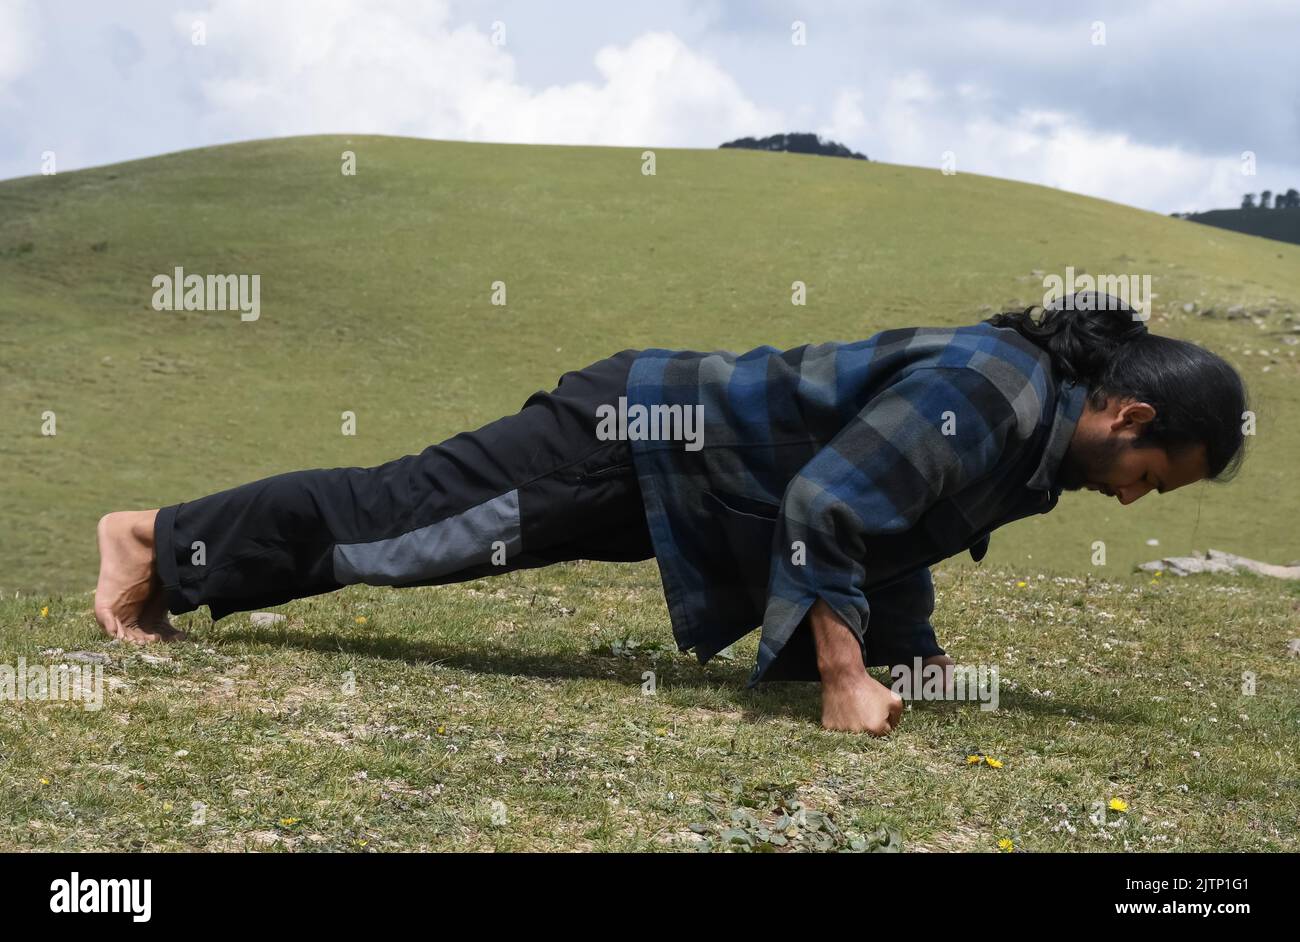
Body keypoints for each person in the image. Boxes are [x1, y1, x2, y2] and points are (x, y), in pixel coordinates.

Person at [93, 292, 1248, 735]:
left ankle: (176, 547)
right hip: (636, 432)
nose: (1140, 497)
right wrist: (844, 682)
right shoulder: (989, 391)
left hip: (686, 481)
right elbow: (828, 502)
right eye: (1158, 474)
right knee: (403, 529)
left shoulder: (1035, 434)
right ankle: (156, 536)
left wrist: (914, 656)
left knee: (407, 533)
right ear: (1131, 414)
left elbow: (902, 525)